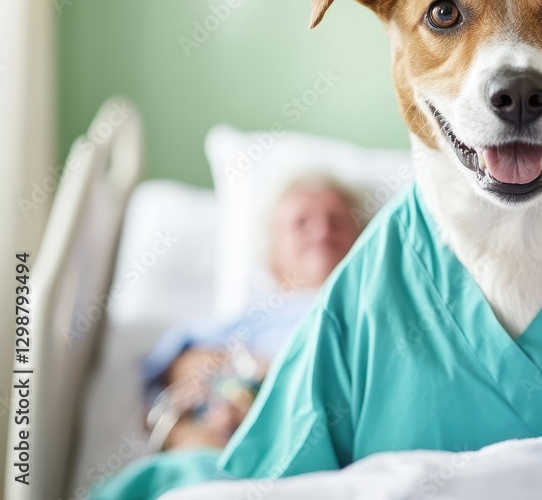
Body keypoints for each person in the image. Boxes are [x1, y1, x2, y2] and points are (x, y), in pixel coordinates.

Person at [89, 174, 362, 498]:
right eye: (301, 223)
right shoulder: (251, 319)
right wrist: (236, 391)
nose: (320, 231)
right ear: (272, 251)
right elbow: (181, 369)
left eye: (336, 220)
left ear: (363, 238)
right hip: (227, 454)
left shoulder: (371, 306)